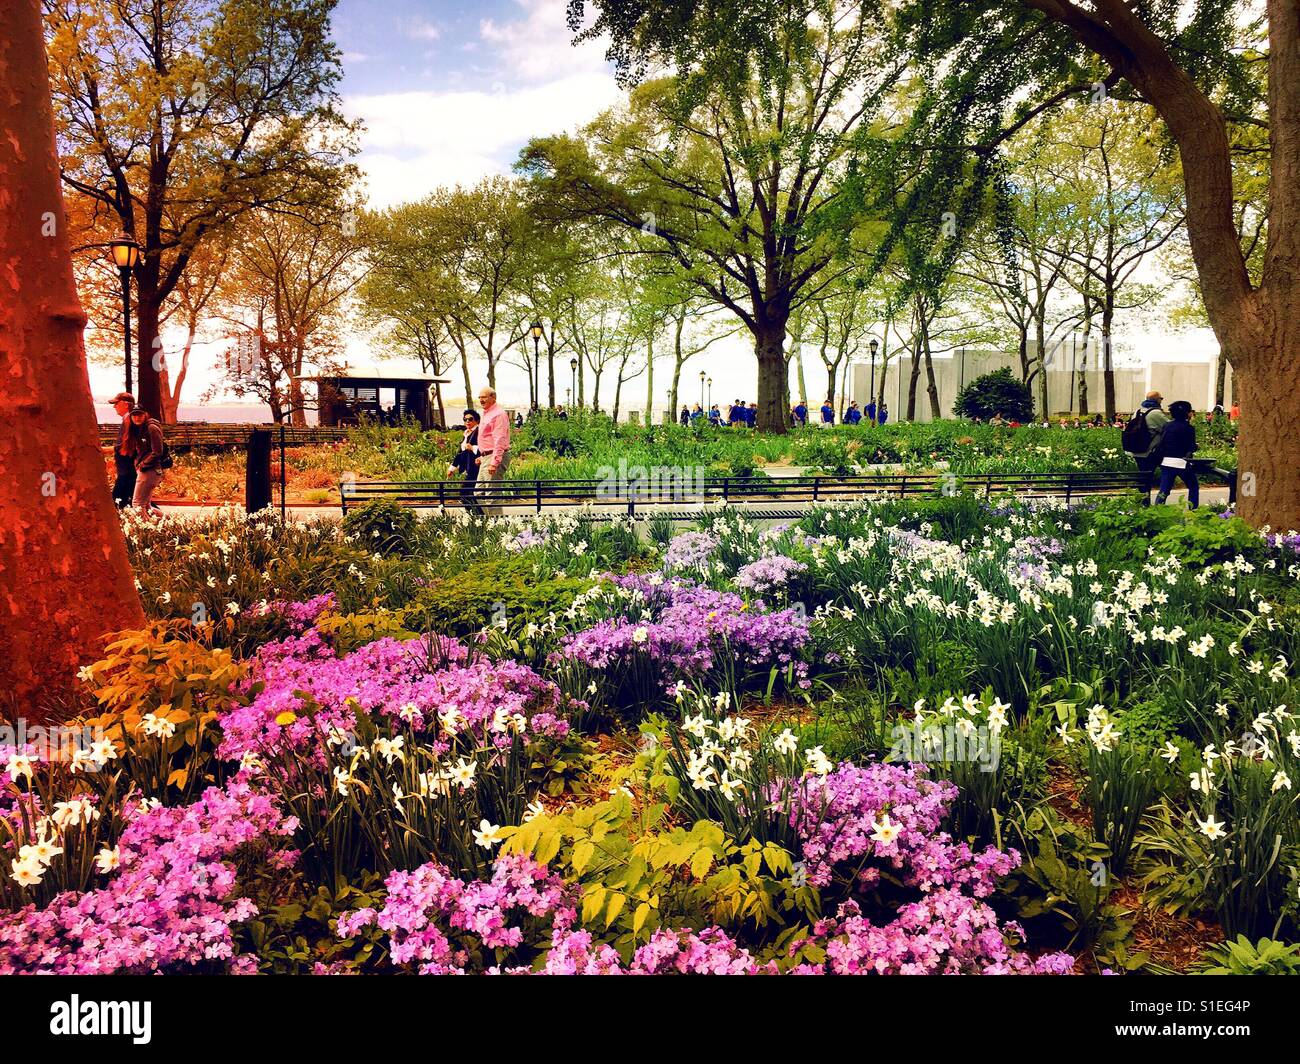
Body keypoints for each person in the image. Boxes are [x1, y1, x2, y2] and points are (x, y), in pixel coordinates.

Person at [1155, 400, 1199, 509]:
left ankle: (1157, 510)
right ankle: (1193, 510)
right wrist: (1196, 447)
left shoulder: (1167, 426)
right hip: (1181, 462)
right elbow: (1191, 446)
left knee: (1164, 490)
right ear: (1187, 413)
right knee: (1193, 486)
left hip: (1166, 461)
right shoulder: (1189, 428)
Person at [474, 387, 512, 517]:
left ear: (493, 397)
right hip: (486, 456)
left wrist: (494, 462)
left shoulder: (498, 414)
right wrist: (482, 455)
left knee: (491, 494)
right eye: (479, 397)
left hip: (494, 457)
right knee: (478, 493)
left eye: (484, 397)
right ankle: (493, 521)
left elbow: (499, 439)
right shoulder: (487, 413)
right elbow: (488, 438)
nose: (481, 400)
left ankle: (497, 526)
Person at [1122, 390, 1170, 490]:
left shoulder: (1137, 412)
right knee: (1154, 474)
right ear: (1157, 400)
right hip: (1150, 451)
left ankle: (1143, 498)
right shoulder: (1156, 413)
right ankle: (1147, 499)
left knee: (1143, 474)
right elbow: (1169, 427)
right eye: (1160, 399)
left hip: (1137, 450)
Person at [128, 406, 166, 516]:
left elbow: (158, 451)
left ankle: (145, 531)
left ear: (145, 414)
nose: (137, 417)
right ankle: (168, 524)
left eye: (140, 414)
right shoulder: (140, 429)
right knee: (147, 506)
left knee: (137, 505)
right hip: (147, 469)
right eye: (134, 415)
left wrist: (143, 464)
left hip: (150, 469)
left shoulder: (151, 428)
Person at [104, 391, 136, 508]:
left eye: (117, 403)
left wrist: (106, 450)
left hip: (126, 466)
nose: (114, 406)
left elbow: (125, 444)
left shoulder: (128, 419)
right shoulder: (128, 419)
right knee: (131, 497)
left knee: (120, 498)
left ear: (126, 404)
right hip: (127, 467)